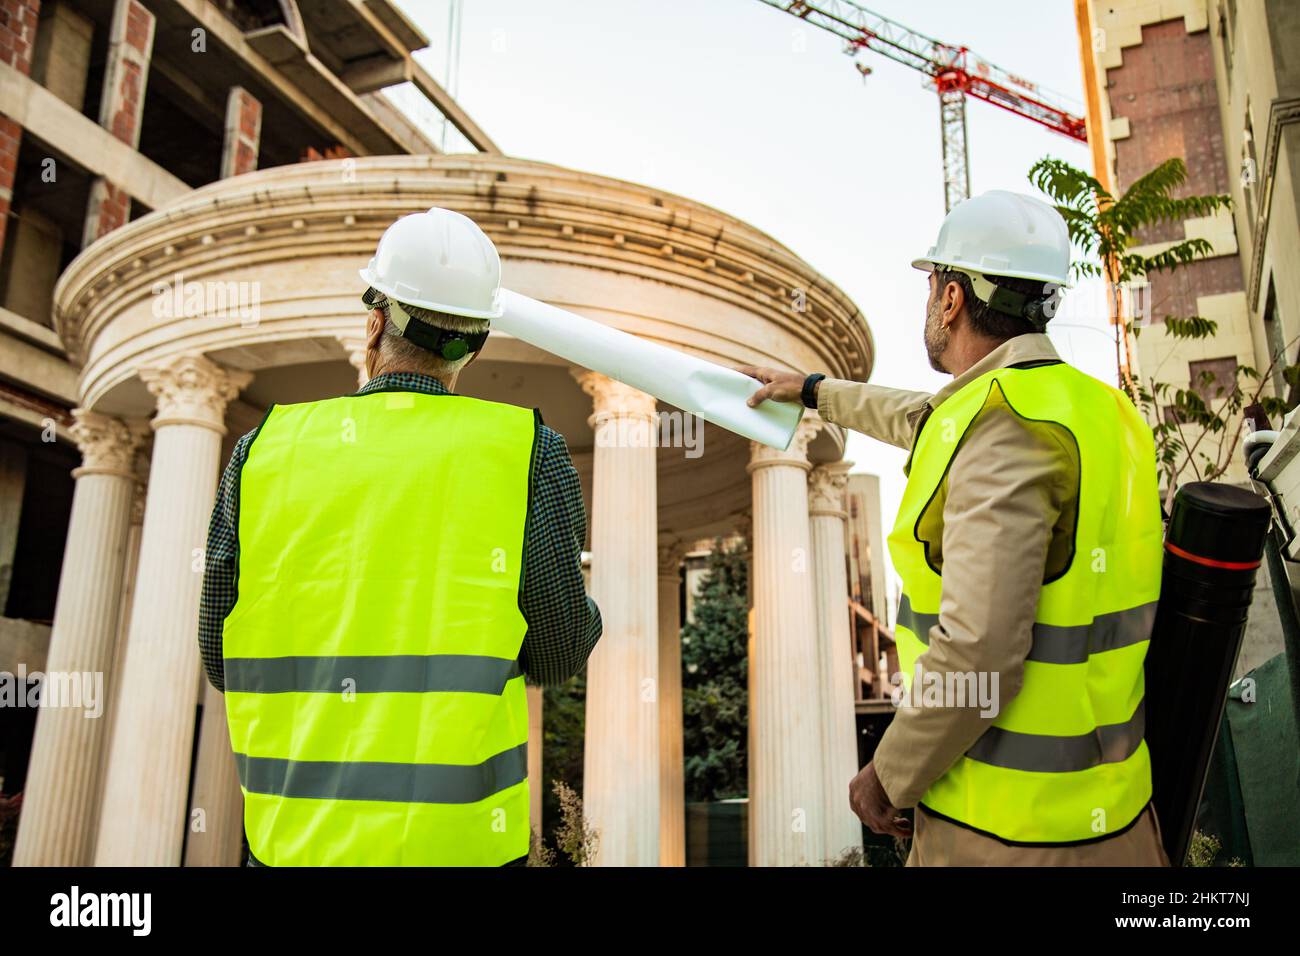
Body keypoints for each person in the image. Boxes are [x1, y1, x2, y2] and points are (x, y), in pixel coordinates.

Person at [739, 190, 1169, 865]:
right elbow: (921, 414)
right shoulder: (1100, 411)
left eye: (932, 282)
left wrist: (887, 775)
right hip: (1120, 816)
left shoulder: (1001, 428)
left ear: (952, 298)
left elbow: (981, 654)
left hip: (1006, 832)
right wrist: (816, 390)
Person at [198, 207, 601, 866]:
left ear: (374, 324)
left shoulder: (262, 450)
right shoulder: (527, 452)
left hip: (294, 846)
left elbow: (221, 657)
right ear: (475, 345)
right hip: (460, 847)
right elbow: (558, 656)